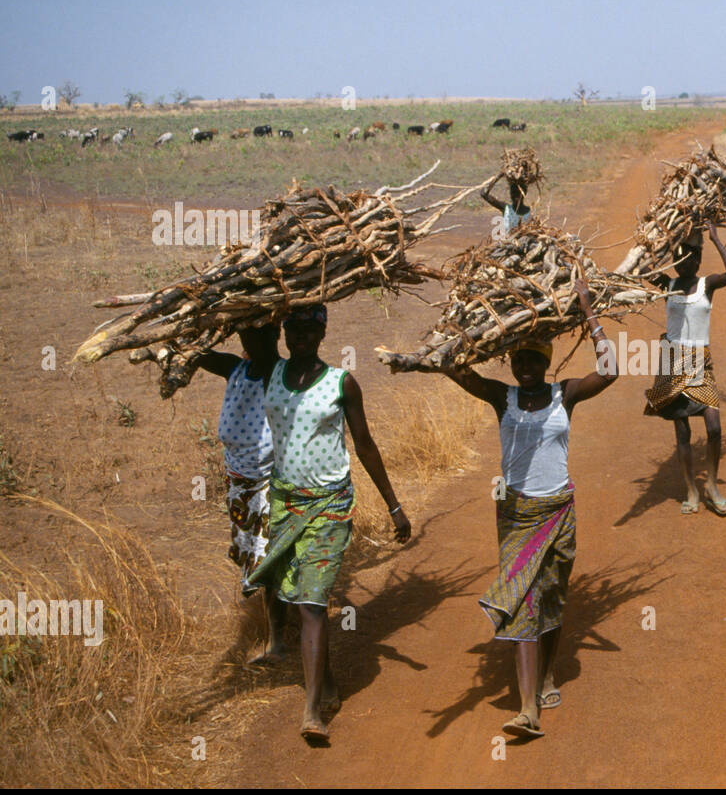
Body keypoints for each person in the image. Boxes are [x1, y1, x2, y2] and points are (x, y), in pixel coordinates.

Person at [435, 272, 616, 738]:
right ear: (510, 361)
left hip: (558, 510)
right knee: (522, 600)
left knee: (552, 597)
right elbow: (453, 367)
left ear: (546, 361)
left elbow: (611, 371)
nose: (526, 366)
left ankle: (548, 673)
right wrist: (467, 321)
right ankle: (528, 706)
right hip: (516, 514)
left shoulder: (565, 394)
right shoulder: (503, 397)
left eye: (534, 358)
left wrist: (588, 311)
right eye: (519, 358)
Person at [246, 305, 411, 745]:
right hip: (285, 504)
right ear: (283, 332)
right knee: (296, 597)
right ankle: (328, 685)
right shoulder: (270, 371)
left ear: (322, 333)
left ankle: (312, 710)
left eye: (308, 329)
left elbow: (365, 445)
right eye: (292, 328)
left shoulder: (342, 382)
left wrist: (394, 506)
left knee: (313, 602)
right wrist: (264, 294)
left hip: (330, 506)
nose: (300, 336)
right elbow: (246, 328)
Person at [196, 323, 283, 649]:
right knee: (253, 557)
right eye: (247, 334)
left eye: (261, 334)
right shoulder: (235, 369)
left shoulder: (285, 373)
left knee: (269, 562)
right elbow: (198, 355)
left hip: (273, 481)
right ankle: (275, 630)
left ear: (276, 334)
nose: (254, 341)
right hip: (239, 483)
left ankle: (277, 641)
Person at [644, 221, 726, 515]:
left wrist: (715, 239)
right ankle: (691, 488)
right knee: (682, 431)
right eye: (678, 258)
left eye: (690, 258)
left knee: (714, 427)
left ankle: (711, 484)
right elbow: (640, 270)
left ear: (698, 260)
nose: (684, 264)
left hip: (700, 361)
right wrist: (662, 238)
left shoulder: (706, 285)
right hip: (672, 359)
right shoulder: (668, 284)